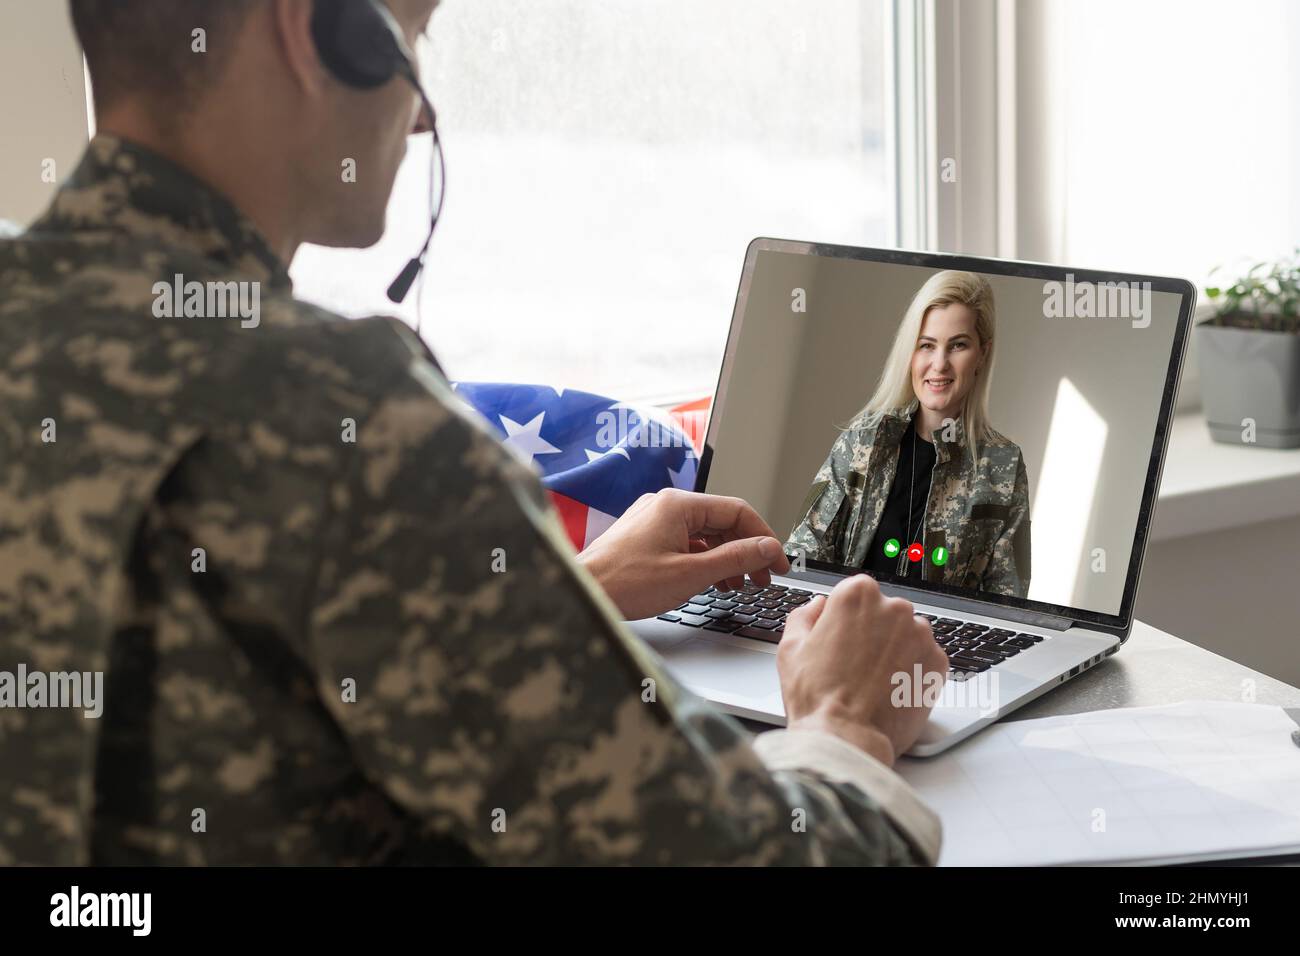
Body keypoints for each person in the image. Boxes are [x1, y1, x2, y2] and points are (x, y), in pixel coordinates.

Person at [0, 0, 948, 865]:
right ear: (315, 29)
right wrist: (844, 724)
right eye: (411, 40)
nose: (420, 116)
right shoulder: (347, 416)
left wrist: (557, 598)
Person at [786, 270, 1032, 598]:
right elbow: (803, 555)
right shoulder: (863, 441)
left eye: (958, 345)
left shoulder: (1003, 464)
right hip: (848, 627)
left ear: (982, 354)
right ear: (910, 353)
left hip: (942, 643)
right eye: (926, 345)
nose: (939, 364)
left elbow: (1009, 599)